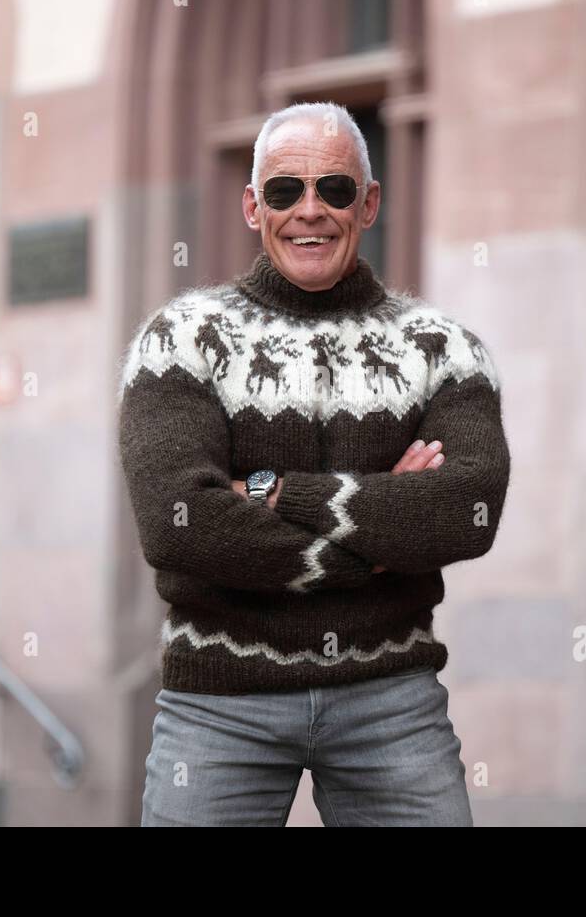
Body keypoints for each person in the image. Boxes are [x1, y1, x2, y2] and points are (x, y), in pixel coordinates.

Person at [118, 101, 511, 825]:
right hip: (219, 701)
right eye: (284, 190)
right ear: (251, 205)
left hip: (390, 696)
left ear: (368, 204)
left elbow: (467, 511)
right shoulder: (179, 340)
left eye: (334, 189)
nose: (310, 211)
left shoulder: (445, 350)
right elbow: (180, 525)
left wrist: (263, 490)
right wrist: (384, 530)